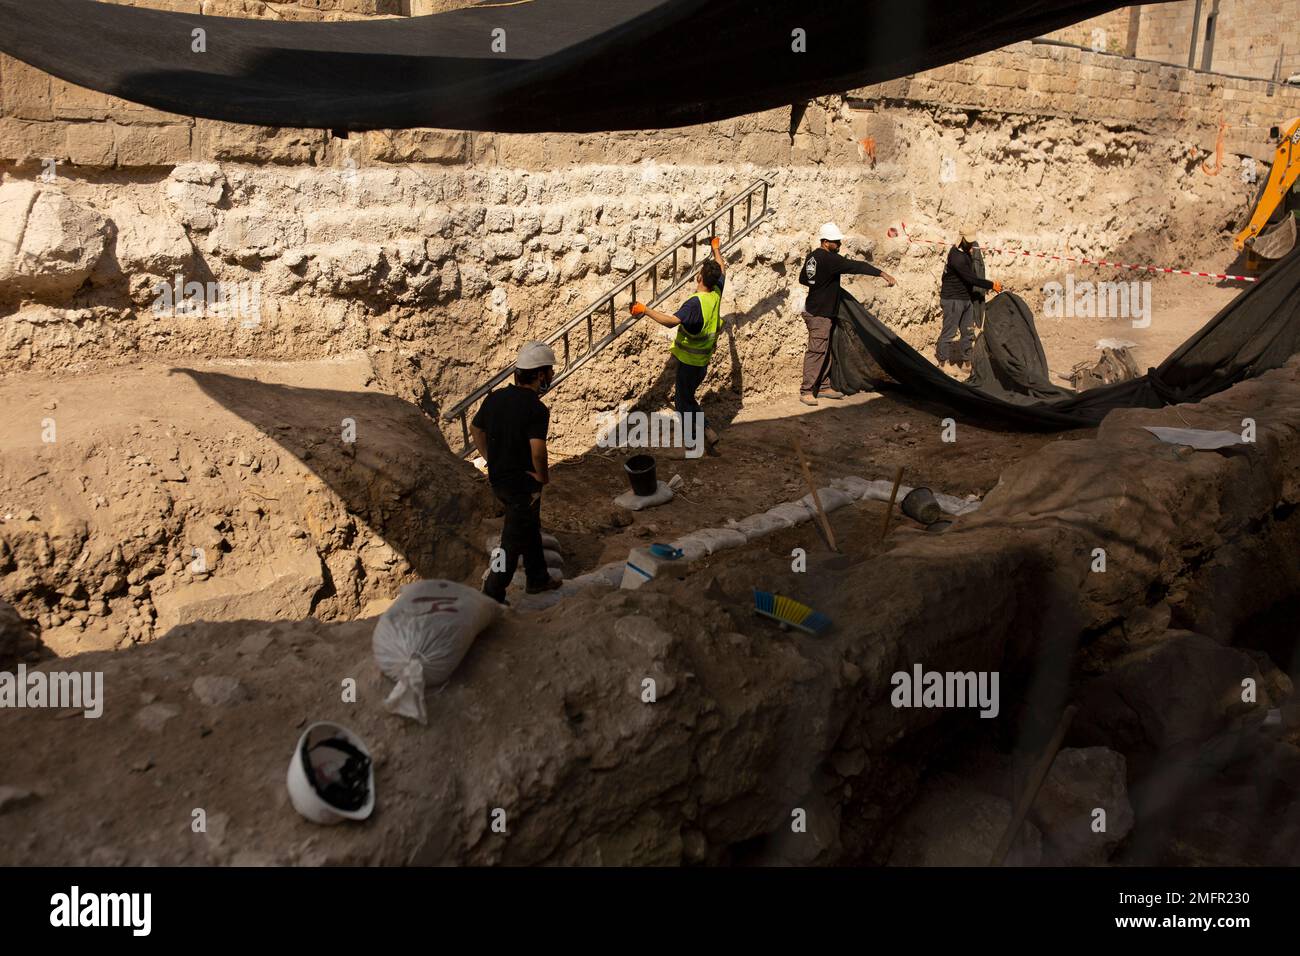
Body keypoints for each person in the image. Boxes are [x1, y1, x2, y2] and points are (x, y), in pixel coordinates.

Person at [471, 342, 562, 603]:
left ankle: (538, 578)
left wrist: (491, 458)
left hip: (499, 479)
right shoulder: (536, 409)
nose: (551, 377)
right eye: (550, 372)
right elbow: (538, 450)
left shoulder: (495, 398)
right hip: (522, 485)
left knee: (529, 526)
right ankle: (492, 592)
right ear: (541, 374)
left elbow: (476, 430)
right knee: (510, 545)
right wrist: (543, 476)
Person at [630, 236, 725, 452]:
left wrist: (645, 310)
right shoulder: (716, 294)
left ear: (699, 277)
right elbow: (722, 268)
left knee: (683, 402)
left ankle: (695, 440)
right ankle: (707, 432)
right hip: (703, 361)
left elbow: (671, 322)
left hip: (689, 363)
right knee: (688, 397)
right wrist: (716, 249)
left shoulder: (694, 304)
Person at [797, 222, 896, 406]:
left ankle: (824, 386)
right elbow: (856, 266)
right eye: (836, 242)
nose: (839, 245)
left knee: (826, 349)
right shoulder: (830, 259)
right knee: (817, 351)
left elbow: (804, 279)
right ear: (825, 242)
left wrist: (822, 285)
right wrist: (881, 273)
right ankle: (807, 390)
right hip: (820, 313)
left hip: (816, 309)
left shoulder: (813, 257)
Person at [938, 224, 1003, 372]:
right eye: (969, 241)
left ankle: (967, 362)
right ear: (961, 239)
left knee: (967, 331)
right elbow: (971, 279)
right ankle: (943, 363)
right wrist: (991, 284)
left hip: (965, 298)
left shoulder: (966, 252)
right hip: (953, 299)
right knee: (949, 332)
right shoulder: (956, 257)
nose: (972, 244)